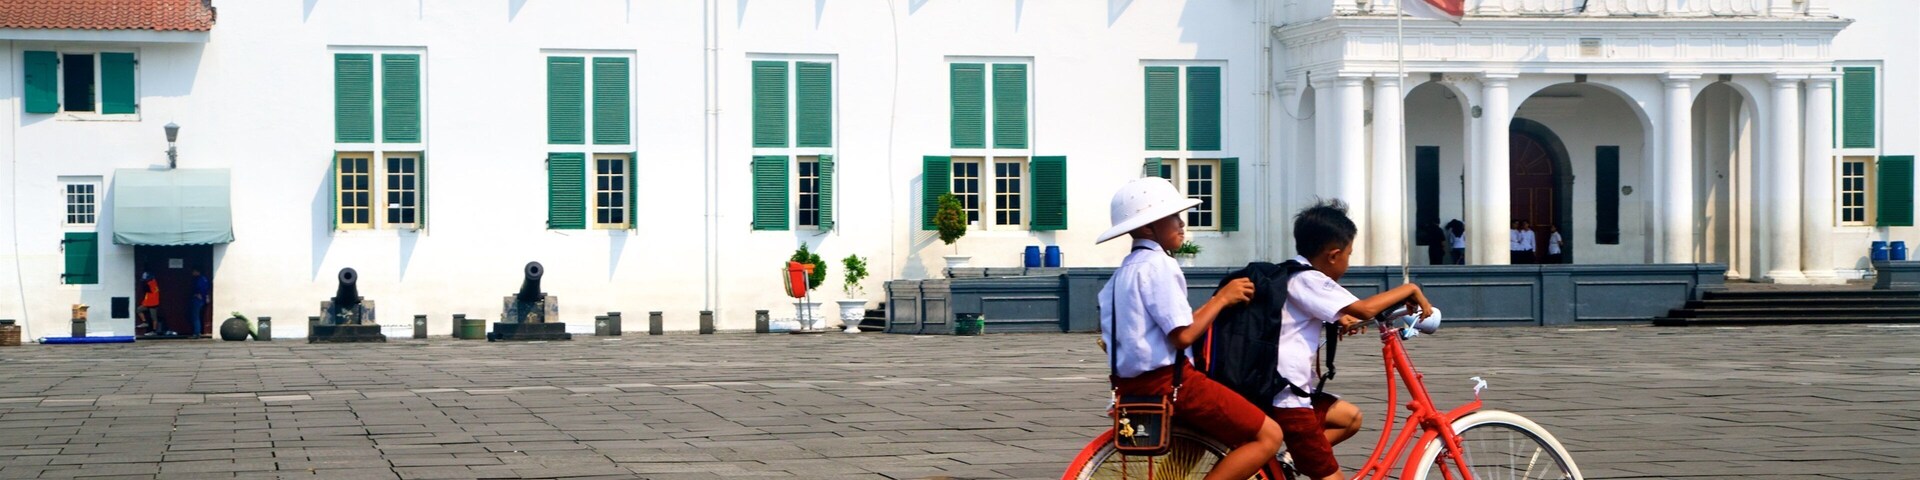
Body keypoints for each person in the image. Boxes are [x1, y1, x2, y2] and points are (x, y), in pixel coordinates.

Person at [1096, 178, 1283, 480]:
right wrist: (1222, 299)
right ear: (1148, 227)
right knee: (1268, 436)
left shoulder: (1120, 275)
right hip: (1172, 383)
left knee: (1205, 441)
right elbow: (1183, 335)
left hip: (1129, 386)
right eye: (1173, 217)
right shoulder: (1159, 265)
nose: (1182, 224)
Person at [1275, 199, 1437, 480]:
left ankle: (1288, 460)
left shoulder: (1292, 272)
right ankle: (1300, 459)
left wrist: (1341, 320)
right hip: (1288, 398)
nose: (1348, 264)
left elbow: (1333, 314)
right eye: (1349, 255)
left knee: (1348, 418)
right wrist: (1410, 288)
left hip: (1283, 387)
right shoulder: (1309, 279)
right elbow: (1364, 309)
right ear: (1334, 255)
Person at [138, 272, 162, 336]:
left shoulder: (151, 284)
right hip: (148, 303)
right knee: (139, 309)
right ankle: (145, 322)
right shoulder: (153, 282)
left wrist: (144, 282)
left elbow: (147, 289)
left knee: (154, 318)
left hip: (153, 304)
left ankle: (154, 331)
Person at [190, 269, 211, 338]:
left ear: (197, 271)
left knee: (195, 316)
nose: (192, 273)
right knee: (198, 316)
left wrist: (197, 294)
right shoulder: (204, 279)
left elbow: (198, 288)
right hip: (203, 299)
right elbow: (206, 289)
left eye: (194, 271)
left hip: (198, 299)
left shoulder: (199, 279)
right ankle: (197, 332)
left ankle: (197, 333)